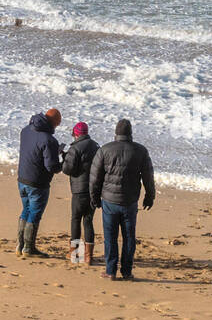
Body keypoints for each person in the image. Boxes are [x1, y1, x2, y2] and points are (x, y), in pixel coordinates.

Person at [89, 118, 155, 281]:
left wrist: (94, 197)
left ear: (116, 133)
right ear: (130, 133)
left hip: (110, 201)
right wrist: (149, 196)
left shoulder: (105, 150)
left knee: (110, 237)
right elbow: (148, 176)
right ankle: (126, 271)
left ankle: (110, 271)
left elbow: (95, 178)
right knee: (129, 237)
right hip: (130, 201)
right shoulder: (140, 151)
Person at [16, 108, 63, 258]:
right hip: (37, 182)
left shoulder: (25, 130)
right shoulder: (49, 140)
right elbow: (52, 167)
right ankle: (28, 248)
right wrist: (64, 161)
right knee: (34, 213)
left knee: (26, 210)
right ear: (54, 123)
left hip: (22, 178)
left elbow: (33, 151)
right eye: (57, 124)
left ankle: (20, 245)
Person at [62, 121, 99, 266]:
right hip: (93, 189)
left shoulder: (75, 148)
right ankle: (89, 256)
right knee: (88, 221)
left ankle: (75, 253)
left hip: (79, 190)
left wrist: (64, 157)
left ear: (75, 134)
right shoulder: (96, 146)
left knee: (76, 220)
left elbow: (67, 169)